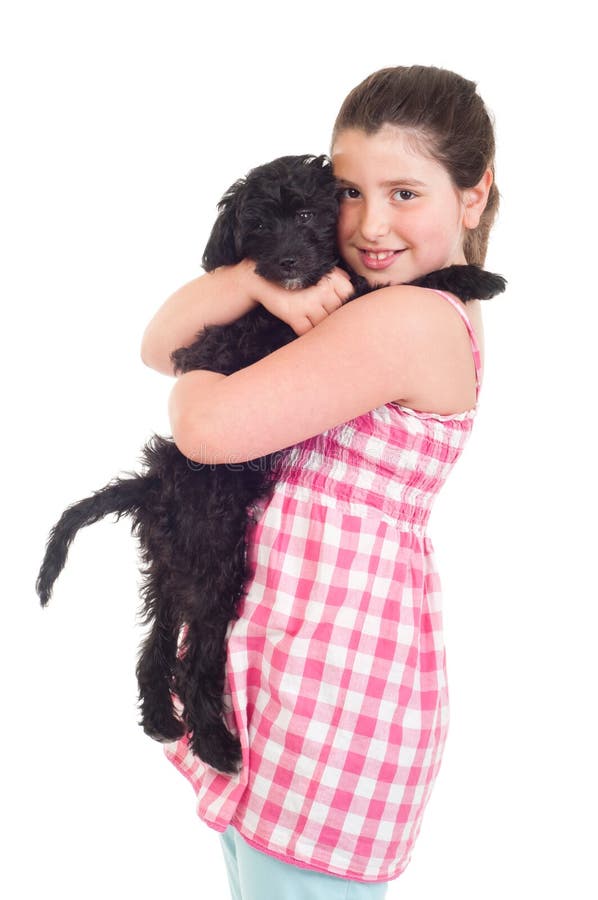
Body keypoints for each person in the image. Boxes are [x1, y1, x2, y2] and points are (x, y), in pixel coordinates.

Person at [141, 64, 499, 899]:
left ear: (473, 197)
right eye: (349, 191)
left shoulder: (408, 319)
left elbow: (205, 425)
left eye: (406, 193)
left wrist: (199, 381)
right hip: (286, 668)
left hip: (330, 689)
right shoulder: (377, 301)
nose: (372, 224)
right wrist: (247, 284)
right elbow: (156, 341)